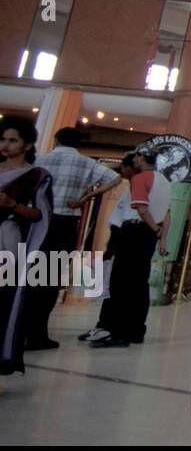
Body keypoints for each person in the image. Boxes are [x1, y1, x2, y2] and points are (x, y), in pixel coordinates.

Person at [27, 127, 121, 350]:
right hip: (65, 222)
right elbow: (115, 178)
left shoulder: (40, 159)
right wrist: (86, 197)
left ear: (56, 139)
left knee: (30, 276)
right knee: (50, 280)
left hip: (37, 220)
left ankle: (18, 330)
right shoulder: (86, 163)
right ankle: (38, 334)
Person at [90, 152, 168, 348]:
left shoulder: (141, 178)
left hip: (135, 230)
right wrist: (160, 235)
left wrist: (154, 227)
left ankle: (118, 332)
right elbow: (168, 213)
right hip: (149, 235)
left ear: (141, 159)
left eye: (134, 159)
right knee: (139, 283)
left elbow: (141, 208)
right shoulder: (165, 182)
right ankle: (135, 330)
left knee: (121, 281)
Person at [0, 117, 53, 375]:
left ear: (28, 145)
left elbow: (38, 215)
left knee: (2, 300)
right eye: (3, 139)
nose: (5, 145)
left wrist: (11, 204)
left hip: (7, 240)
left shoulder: (36, 176)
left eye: (13, 140)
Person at [79, 153, 138, 343]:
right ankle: (103, 325)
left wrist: (112, 246)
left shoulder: (138, 189)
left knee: (115, 288)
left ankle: (108, 327)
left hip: (122, 241)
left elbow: (125, 220)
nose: (122, 170)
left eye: (125, 166)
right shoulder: (130, 188)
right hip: (118, 239)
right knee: (110, 287)